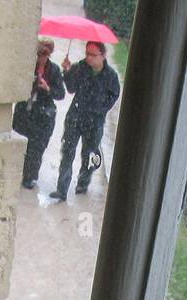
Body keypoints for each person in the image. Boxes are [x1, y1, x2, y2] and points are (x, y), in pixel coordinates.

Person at [51, 41, 121, 201]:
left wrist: (101, 109)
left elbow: (114, 94)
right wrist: (67, 71)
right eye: (87, 53)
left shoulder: (110, 76)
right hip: (75, 117)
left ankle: (83, 183)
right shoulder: (80, 68)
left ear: (102, 56)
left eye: (92, 54)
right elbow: (70, 88)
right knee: (67, 152)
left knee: (90, 155)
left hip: (94, 122)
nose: (88, 57)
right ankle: (62, 189)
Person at [20, 39, 65, 190]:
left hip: (43, 115)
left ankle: (30, 177)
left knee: (37, 148)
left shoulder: (54, 71)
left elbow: (61, 94)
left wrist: (48, 88)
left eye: (46, 54)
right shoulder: (27, 66)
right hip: (25, 112)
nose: (42, 58)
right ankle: (19, 172)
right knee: (22, 145)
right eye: (40, 54)